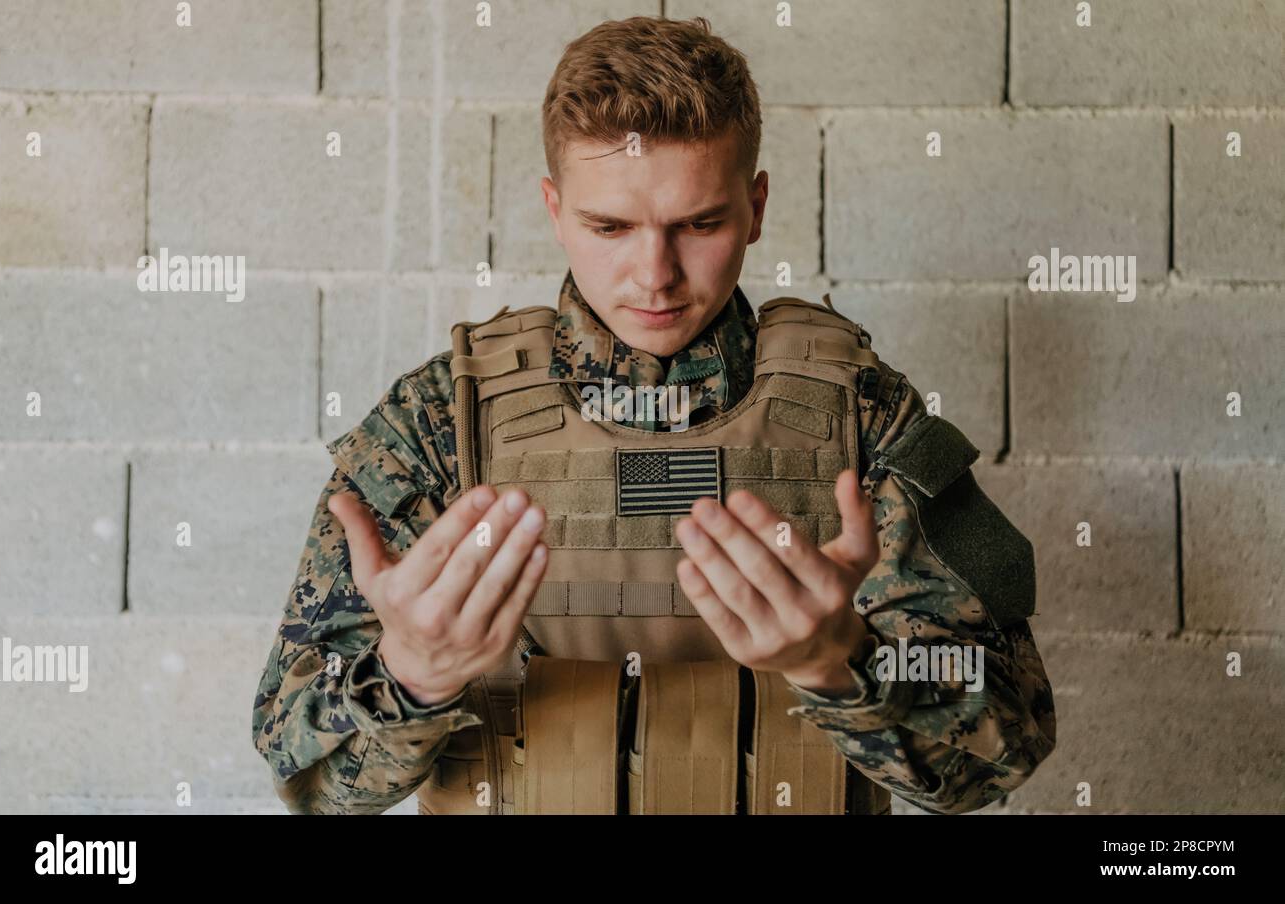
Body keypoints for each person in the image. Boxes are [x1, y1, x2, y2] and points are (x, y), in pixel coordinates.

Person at [252, 14, 1055, 815]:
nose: (656, 275)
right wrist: (410, 676)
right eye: (610, 227)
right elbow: (311, 781)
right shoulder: (438, 423)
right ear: (554, 210)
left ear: (757, 206)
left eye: (699, 224)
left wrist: (842, 662)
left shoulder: (863, 412)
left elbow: (1003, 748)